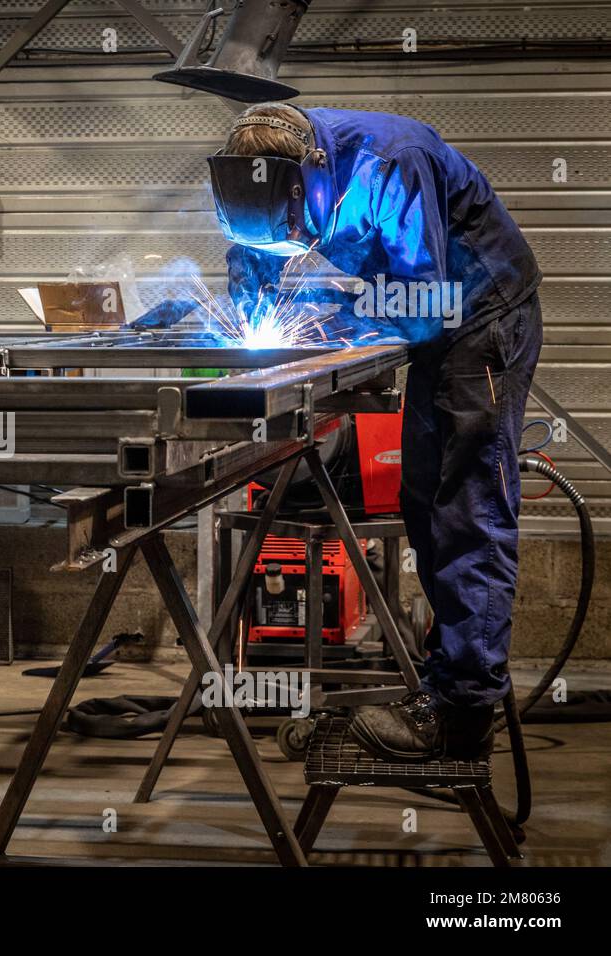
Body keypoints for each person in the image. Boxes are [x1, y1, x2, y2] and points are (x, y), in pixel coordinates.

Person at [209, 103, 543, 761]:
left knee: (466, 511)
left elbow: (421, 306)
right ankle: (449, 676)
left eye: (293, 229)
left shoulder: (390, 167)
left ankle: (463, 712)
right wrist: (257, 311)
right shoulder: (265, 178)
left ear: (315, 175)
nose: (292, 241)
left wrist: (331, 316)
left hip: (481, 321)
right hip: (439, 331)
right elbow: (254, 259)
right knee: (423, 501)